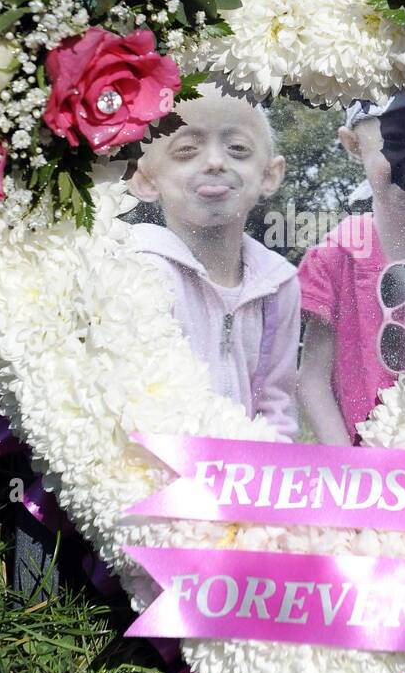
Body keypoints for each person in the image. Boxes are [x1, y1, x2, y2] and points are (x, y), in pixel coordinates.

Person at [297, 93, 405, 445]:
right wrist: (346, 464)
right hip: (364, 472)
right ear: (353, 146)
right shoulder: (336, 257)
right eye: (394, 142)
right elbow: (313, 378)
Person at [128, 83, 300, 440]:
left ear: (269, 175)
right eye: (186, 150)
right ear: (144, 179)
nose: (215, 162)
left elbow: (276, 402)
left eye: (237, 148)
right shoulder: (138, 269)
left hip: (246, 479)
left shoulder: (280, 285)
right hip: (158, 466)